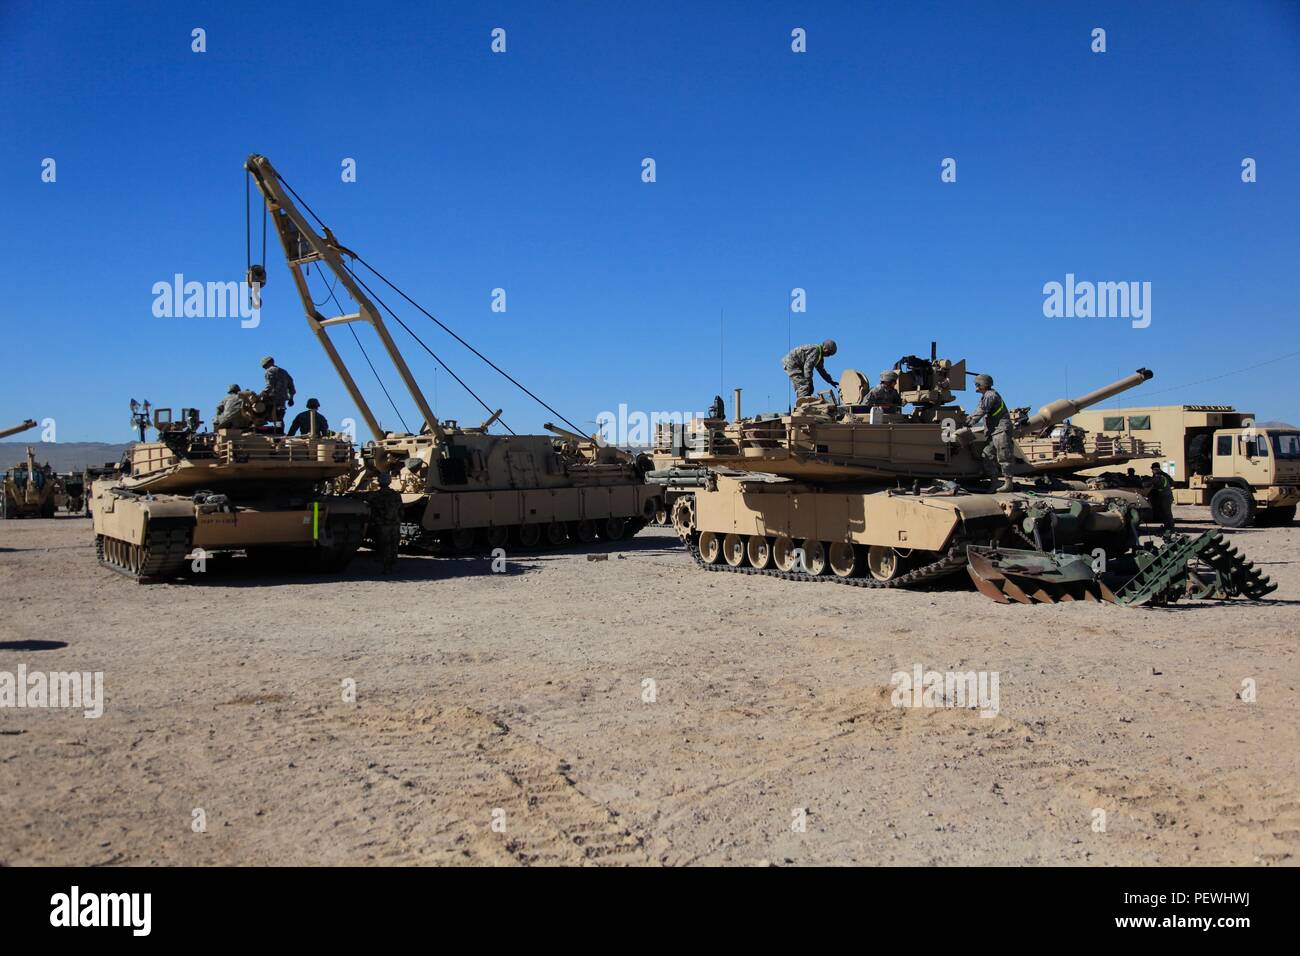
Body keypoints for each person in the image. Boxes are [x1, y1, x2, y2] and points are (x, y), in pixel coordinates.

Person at [969, 373, 1013, 492]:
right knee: (987, 454)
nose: (976, 387)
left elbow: (981, 411)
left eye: (978, 384)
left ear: (984, 385)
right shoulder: (985, 396)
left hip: (1001, 430)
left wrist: (970, 422)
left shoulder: (991, 395)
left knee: (1004, 456)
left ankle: (1008, 484)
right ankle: (995, 482)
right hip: (994, 431)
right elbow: (978, 410)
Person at [369, 472, 403, 574]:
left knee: (385, 546)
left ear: (379, 482)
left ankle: (386, 568)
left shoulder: (376, 495)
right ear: (389, 481)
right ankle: (393, 565)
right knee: (394, 545)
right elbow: (401, 510)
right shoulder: (396, 495)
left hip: (383, 525)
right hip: (395, 524)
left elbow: (364, 498)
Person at [259, 356, 296, 430]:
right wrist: (291, 398)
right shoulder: (284, 372)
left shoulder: (269, 371)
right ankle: (279, 431)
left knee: (259, 413)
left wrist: (261, 395)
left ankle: (260, 429)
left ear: (266, 364)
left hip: (271, 399)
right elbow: (291, 386)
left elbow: (269, 386)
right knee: (279, 417)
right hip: (282, 400)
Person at [1145, 462, 1176, 533]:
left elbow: (1152, 483)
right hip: (1165, 496)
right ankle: (1168, 527)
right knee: (1165, 513)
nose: (1152, 471)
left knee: (1166, 513)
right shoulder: (1164, 475)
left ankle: (1170, 528)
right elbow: (1171, 482)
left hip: (1165, 497)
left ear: (1155, 469)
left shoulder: (1159, 476)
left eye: (1153, 469)